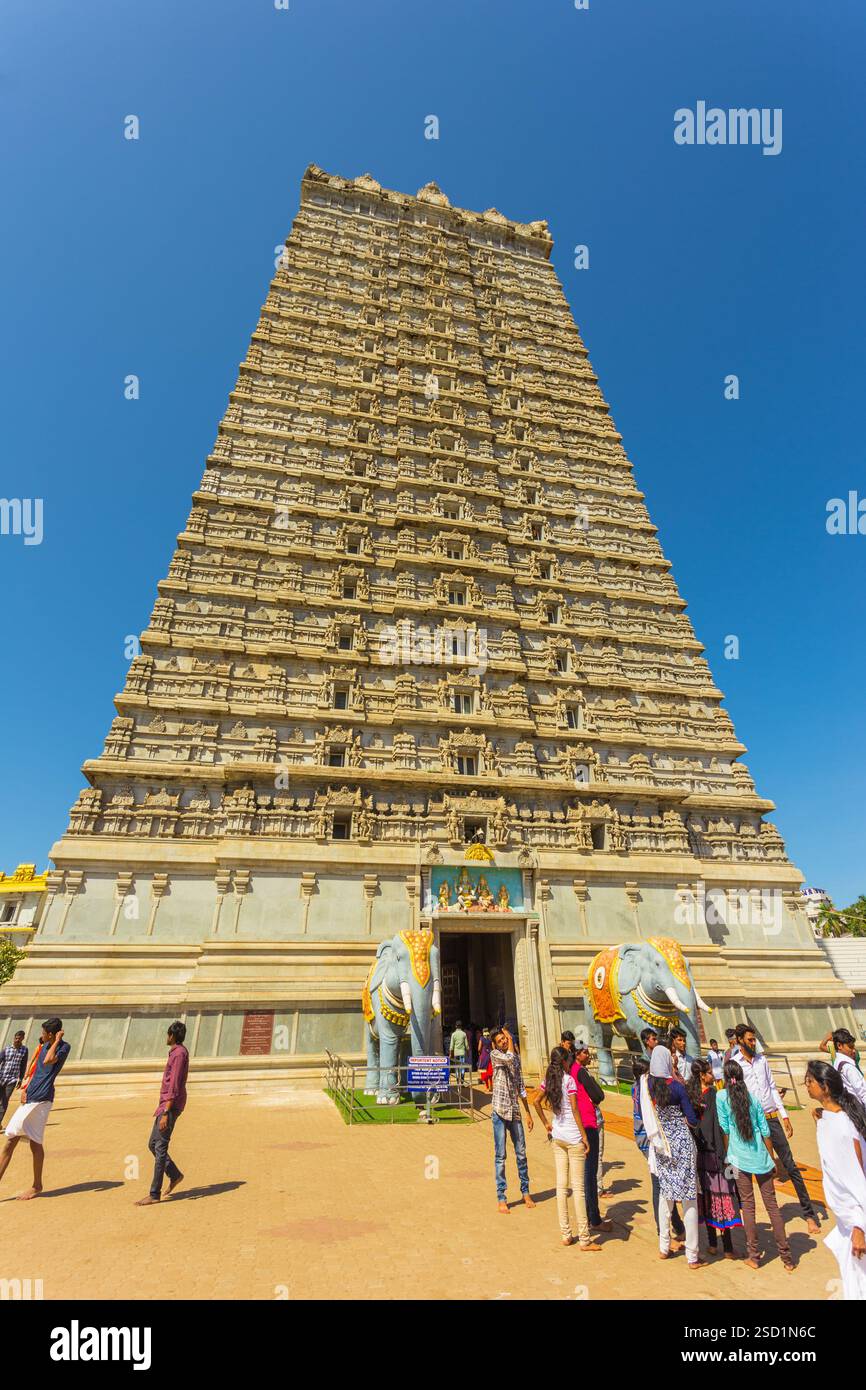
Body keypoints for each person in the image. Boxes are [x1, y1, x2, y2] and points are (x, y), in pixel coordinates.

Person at [731, 1023, 820, 1233]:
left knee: (790, 1165)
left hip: (771, 1119)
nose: (754, 1043)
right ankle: (760, 1216)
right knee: (755, 1169)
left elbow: (772, 1087)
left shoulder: (762, 1061)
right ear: (740, 1040)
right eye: (750, 1040)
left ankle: (809, 1214)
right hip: (751, 1123)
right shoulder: (735, 1064)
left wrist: (785, 1115)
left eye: (754, 1039)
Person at [717, 1059, 794, 1271]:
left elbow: (725, 1129)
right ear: (741, 1076)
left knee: (748, 1207)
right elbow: (765, 1131)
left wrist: (728, 1156)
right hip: (760, 1157)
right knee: (772, 1207)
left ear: (725, 1078)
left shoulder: (721, 1097)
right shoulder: (753, 1099)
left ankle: (754, 1256)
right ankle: (786, 1258)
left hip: (738, 1159)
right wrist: (770, 1159)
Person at [806, 1058, 866, 1299]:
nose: (806, 1086)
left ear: (825, 1087)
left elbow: (856, 1179)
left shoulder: (841, 1127)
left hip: (856, 1221)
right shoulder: (835, 1120)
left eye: (809, 1081)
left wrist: (859, 1227)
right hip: (849, 1220)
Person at [532, 1047, 600, 1250]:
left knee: (561, 1187)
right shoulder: (568, 1081)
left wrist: (546, 1123)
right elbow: (575, 1109)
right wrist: (584, 1136)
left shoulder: (549, 1081)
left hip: (558, 1136)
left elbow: (536, 1101)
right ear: (564, 1061)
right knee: (577, 1188)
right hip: (572, 1136)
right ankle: (585, 1238)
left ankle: (565, 1234)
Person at [0, 1016, 70, 1200]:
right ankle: (36, 1185)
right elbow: (35, 1069)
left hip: (42, 1100)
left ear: (52, 1034)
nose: (41, 1035)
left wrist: (56, 1041)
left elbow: (48, 1061)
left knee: (32, 1142)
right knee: (13, 1140)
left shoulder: (63, 1047)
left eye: (44, 1033)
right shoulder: (42, 1046)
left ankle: (37, 1185)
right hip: (31, 1096)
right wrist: (25, 1087)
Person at [687, 1059, 741, 1258]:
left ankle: (711, 1243)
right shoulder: (713, 1096)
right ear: (703, 1075)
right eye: (710, 1072)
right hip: (715, 1156)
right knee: (723, 1195)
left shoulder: (691, 1094)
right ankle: (727, 1247)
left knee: (707, 1198)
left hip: (699, 1154)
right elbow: (716, 1127)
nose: (713, 1075)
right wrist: (724, 1154)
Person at [632, 1056, 685, 1245]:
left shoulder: (637, 1088)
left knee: (662, 1186)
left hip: (645, 1140)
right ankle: (664, 1228)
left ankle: (675, 1226)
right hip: (653, 1142)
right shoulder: (646, 1089)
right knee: (660, 1187)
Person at [135, 1021, 189, 1206]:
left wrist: (166, 1111)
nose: (166, 1038)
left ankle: (154, 1193)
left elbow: (173, 1084)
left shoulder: (179, 1054)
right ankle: (174, 1174)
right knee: (153, 1144)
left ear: (172, 1036)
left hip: (169, 1106)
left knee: (160, 1147)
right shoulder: (175, 1053)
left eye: (168, 1034)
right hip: (165, 1104)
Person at [490, 1026, 535, 1214]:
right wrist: (510, 1041)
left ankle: (525, 1192)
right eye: (500, 1040)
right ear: (494, 1043)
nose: (503, 1041)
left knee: (521, 1154)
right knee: (501, 1156)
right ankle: (502, 1197)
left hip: (514, 1111)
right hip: (500, 1112)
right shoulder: (495, 1055)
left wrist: (528, 1112)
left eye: (505, 1039)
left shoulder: (514, 1060)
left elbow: (521, 1086)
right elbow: (508, 1057)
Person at [569, 1040, 610, 1233]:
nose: (589, 1055)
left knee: (584, 1174)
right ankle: (593, 1218)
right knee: (589, 1174)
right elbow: (599, 1095)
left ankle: (587, 1215)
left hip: (576, 1126)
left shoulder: (569, 1072)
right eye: (585, 1052)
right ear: (577, 1054)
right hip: (588, 1124)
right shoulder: (580, 1072)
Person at [820, 1029, 866, 1108]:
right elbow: (862, 1093)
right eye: (850, 1046)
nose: (853, 1050)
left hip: (853, 1077)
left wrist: (827, 1038)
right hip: (853, 1078)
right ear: (839, 1045)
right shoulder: (847, 1065)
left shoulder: (836, 1054)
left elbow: (822, 1046)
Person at [0, 1030, 29, 1128]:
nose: (17, 1040)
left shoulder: (24, 1050)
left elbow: (23, 1065)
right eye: (16, 1038)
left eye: (19, 1038)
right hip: (1, 1077)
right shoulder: (6, 1049)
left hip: (12, 1080)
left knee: (5, 1100)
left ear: (22, 1039)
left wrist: (20, 1079)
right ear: (14, 1038)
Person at [449, 1020, 469, 1085]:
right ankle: (462, 1080)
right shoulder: (464, 1034)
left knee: (457, 1067)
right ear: (461, 1026)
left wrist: (450, 1054)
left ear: (455, 1026)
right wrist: (468, 1052)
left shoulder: (453, 1034)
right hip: (462, 1053)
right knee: (462, 1066)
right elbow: (466, 1045)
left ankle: (458, 1080)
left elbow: (451, 1046)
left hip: (456, 1053)